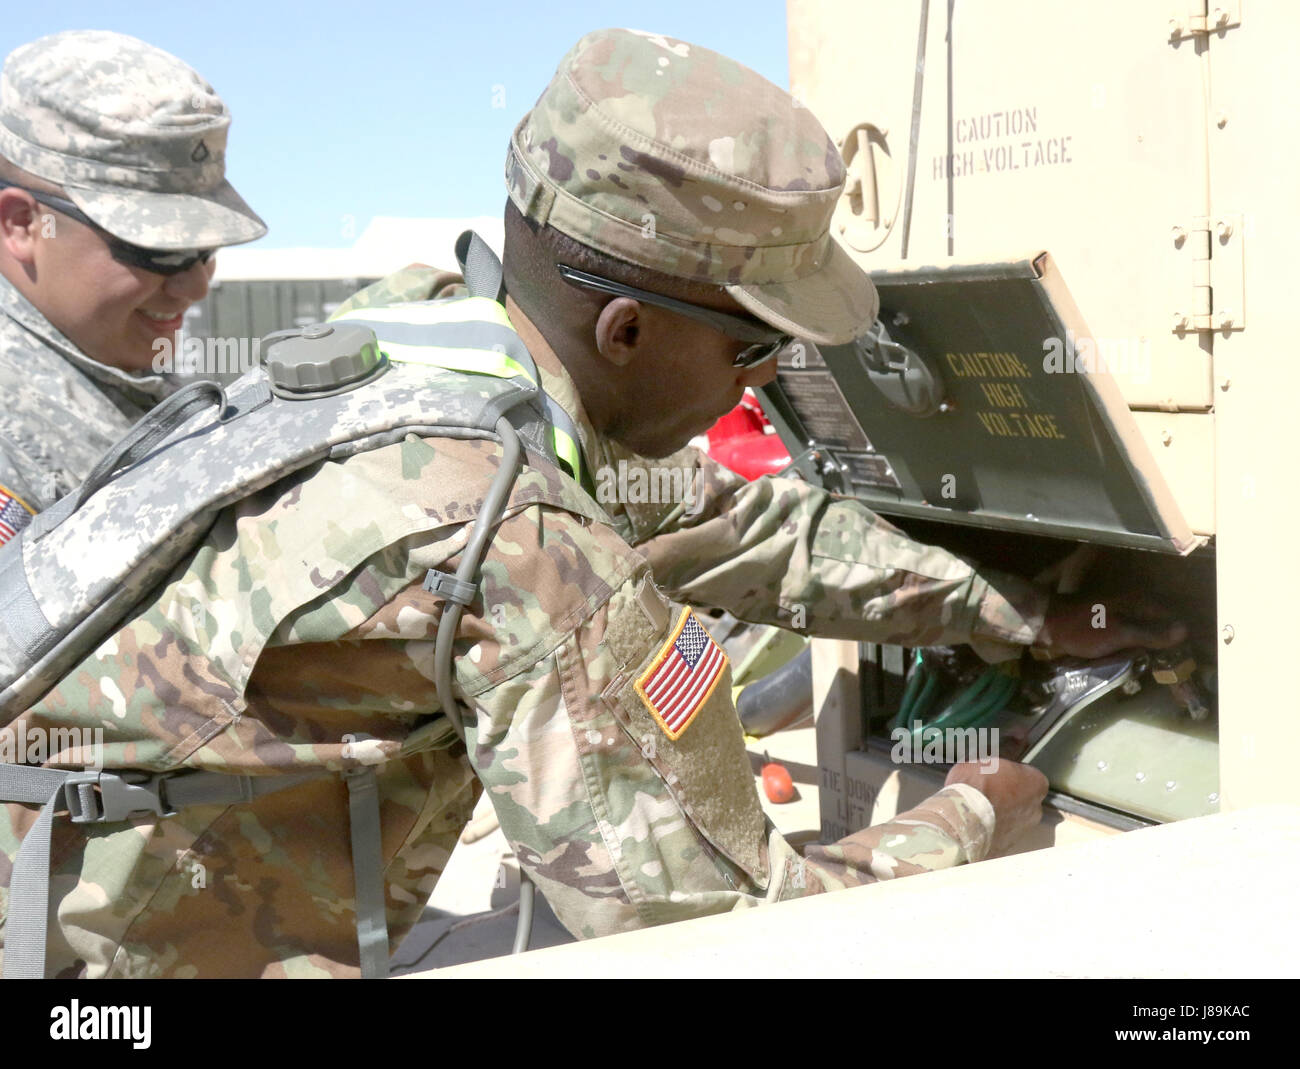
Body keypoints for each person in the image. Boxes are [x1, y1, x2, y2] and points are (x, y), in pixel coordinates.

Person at [0, 28, 1183, 978]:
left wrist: (1013, 613)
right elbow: (724, 937)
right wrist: (982, 807)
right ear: (625, 329)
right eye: (752, 355)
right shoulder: (523, 546)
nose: (759, 388)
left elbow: (728, 528)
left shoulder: (414, 342)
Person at [0, 30, 266, 533]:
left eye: (206, 249)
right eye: (158, 251)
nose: (195, 287)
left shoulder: (145, 384)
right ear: (22, 224)